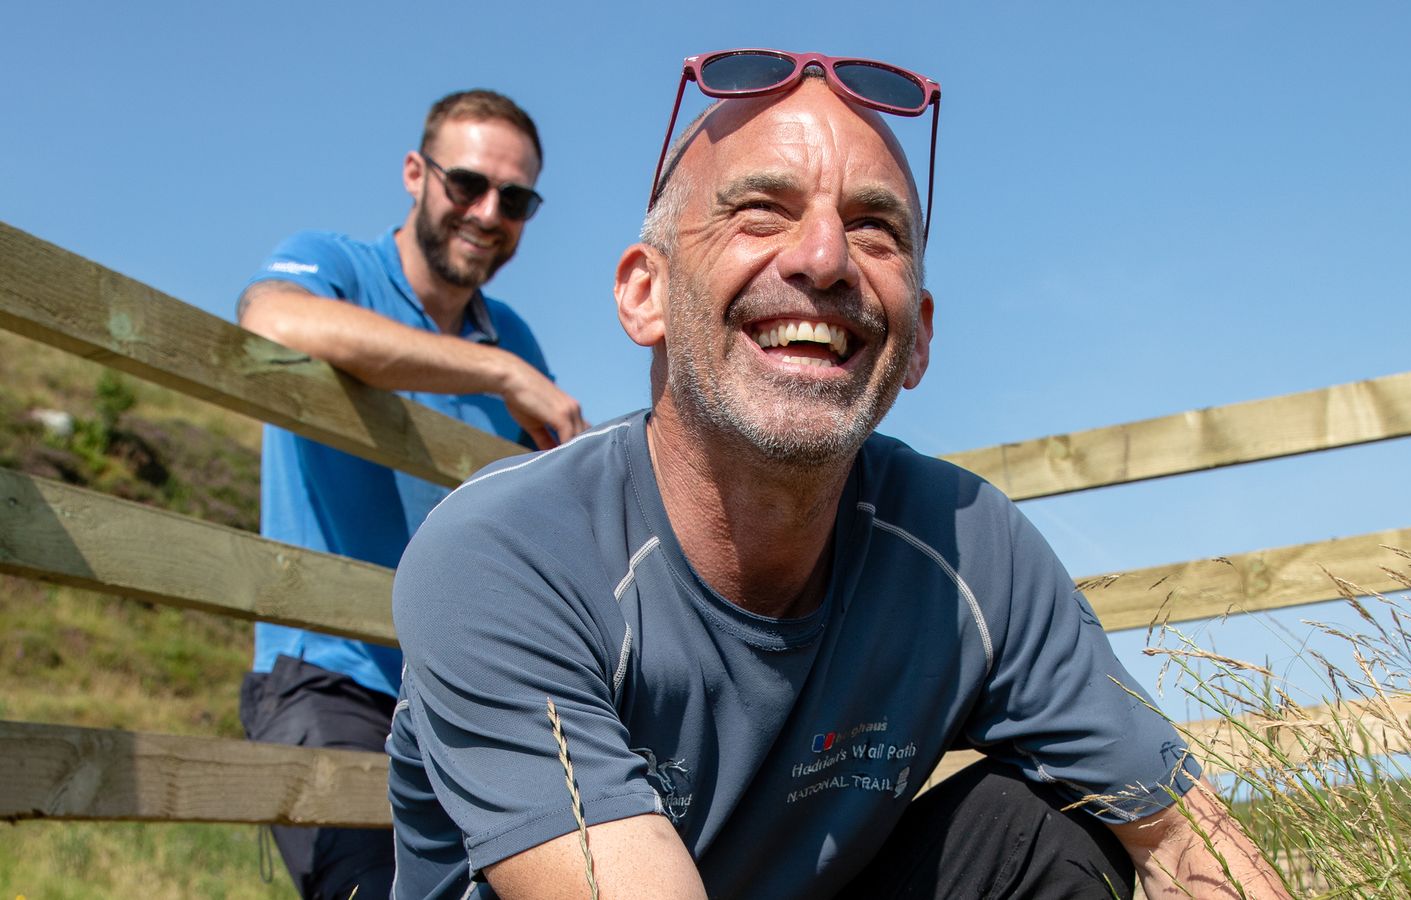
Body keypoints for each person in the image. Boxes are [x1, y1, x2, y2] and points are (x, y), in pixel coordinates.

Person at [388, 53, 1287, 899]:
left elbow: (1185, 839)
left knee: (1039, 832)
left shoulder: (968, 550)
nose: (823, 259)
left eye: (874, 228)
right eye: (760, 212)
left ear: (919, 336)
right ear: (644, 293)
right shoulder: (506, 555)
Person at [236, 89, 587, 900]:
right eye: (467, 183)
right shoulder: (336, 265)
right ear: (414, 173)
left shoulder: (513, 335)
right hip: (329, 671)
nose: (488, 212)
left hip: (463, 688)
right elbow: (272, 321)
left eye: (515, 199)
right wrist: (498, 373)